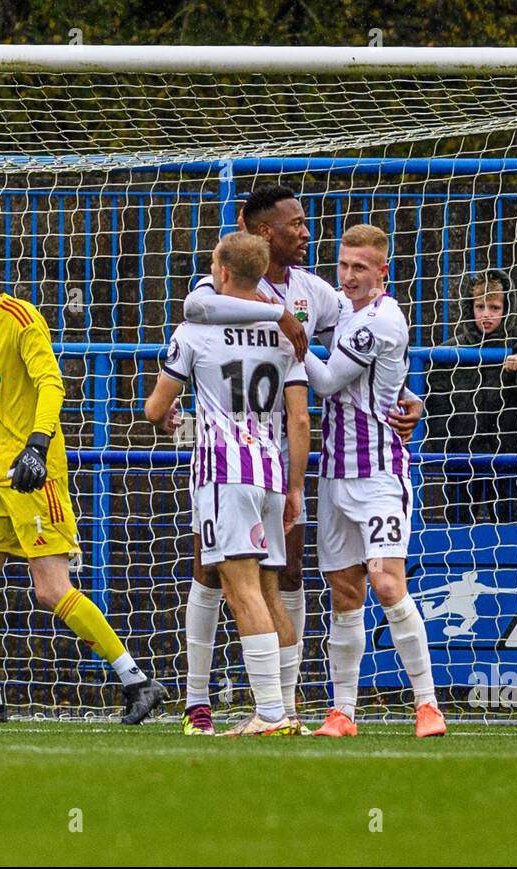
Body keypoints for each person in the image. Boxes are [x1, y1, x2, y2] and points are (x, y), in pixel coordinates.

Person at [166, 183, 422, 734]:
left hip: (291, 457)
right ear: (264, 233)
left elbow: (362, 346)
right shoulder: (221, 282)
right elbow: (197, 309)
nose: (306, 233)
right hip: (256, 454)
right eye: (296, 224)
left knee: (286, 575)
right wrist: (280, 317)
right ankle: (198, 700)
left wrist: (407, 393)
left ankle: (284, 702)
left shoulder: (318, 291)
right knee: (212, 572)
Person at [0, 238, 166, 724]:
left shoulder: (21, 318)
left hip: (32, 475)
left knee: (51, 590)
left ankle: (138, 681)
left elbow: (51, 383)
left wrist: (37, 447)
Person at [145, 231, 310, 736]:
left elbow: (155, 408)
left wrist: (168, 412)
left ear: (219, 271)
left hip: (223, 469)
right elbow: (299, 417)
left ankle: (270, 715)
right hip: (271, 471)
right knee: (268, 590)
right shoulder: (286, 335)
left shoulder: (194, 329)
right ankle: (286, 708)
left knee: (239, 591)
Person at [299, 224, 447, 738]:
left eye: (360, 268)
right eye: (343, 266)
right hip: (334, 475)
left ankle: (427, 704)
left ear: (384, 271)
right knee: (344, 594)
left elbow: (326, 381)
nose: (348, 276)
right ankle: (343, 712)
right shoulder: (343, 307)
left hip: (379, 473)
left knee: (386, 583)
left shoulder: (382, 318)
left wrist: (290, 342)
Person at [423, 268, 517, 523]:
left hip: (506, 451)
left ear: (506, 308)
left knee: (506, 519)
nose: (486, 315)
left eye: (494, 307)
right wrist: (442, 447)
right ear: (469, 307)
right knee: (458, 520)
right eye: (480, 306)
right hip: (461, 453)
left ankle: (510, 564)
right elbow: (435, 400)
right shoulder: (451, 349)